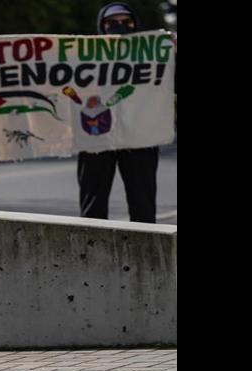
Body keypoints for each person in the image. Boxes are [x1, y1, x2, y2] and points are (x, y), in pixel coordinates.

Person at [77, 3, 161, 224]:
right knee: (92, 207)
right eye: (112, 23)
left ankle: (144, 254)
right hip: (96, 135)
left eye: (126, 22)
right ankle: (91, 252)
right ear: (101, 26)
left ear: (136, 25)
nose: (119, 26)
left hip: (140, 137)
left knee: (143, 206)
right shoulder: (84, 57)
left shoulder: (152, 54)